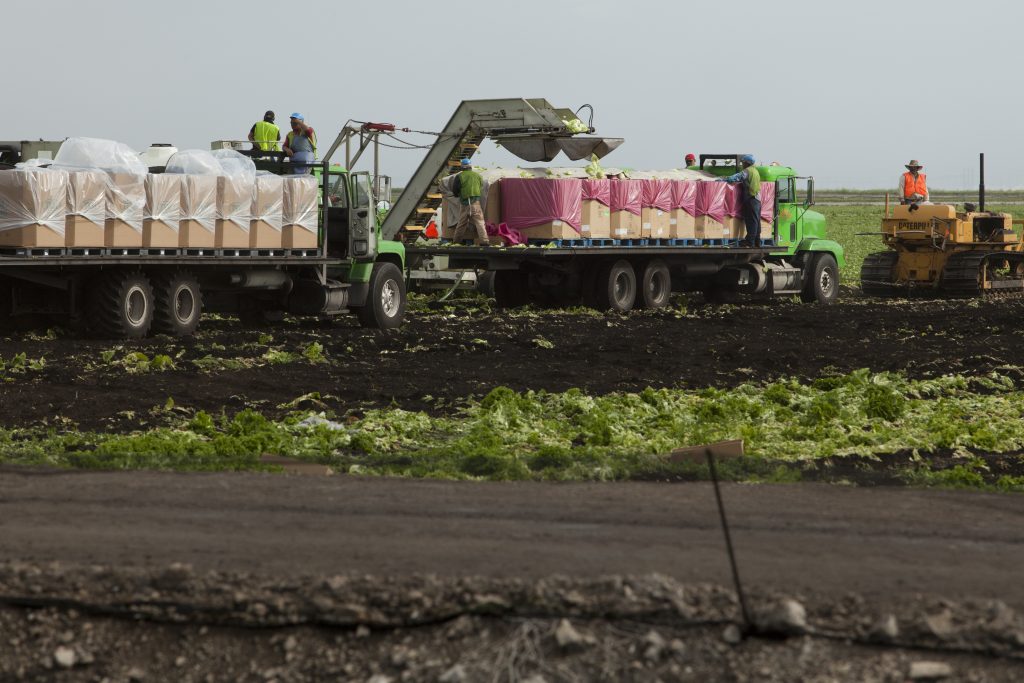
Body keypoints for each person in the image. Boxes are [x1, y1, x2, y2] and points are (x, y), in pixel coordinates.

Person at [719, 154, 762, 247]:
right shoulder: (755, 171)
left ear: (747, 163)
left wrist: (723, 179)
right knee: (756, 221)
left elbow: (735, 178)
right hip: (757, 199)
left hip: (751, 198)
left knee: (751, 221)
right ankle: (757, 241)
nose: (742, 164)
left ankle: (750, 242)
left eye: (743, 162)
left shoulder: (747, 171)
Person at [451, 159, 488, 245]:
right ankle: (485, 242)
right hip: (476, 203)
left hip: (465, 203)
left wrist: (458, 195)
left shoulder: (459, 176)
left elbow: (455, 190)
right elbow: (481, 186)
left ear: (462, 167)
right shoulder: (478, 176)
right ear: (470, 166)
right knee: (480, 223)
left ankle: (456, 242)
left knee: (461, 223)